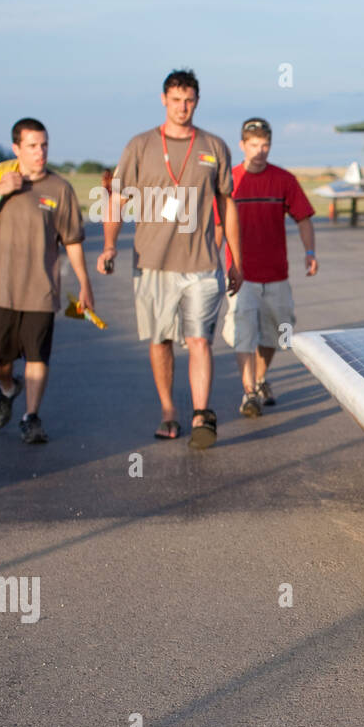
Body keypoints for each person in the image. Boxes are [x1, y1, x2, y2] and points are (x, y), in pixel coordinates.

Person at [98, 68, 242, 447]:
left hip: (202, 264)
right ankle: (168, 412)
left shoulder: (214, 146)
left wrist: (236, 260)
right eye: (176, 100)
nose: (183, 107)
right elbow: (117, 198)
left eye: (190, 100)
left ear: (198, 101)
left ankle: (200, 415)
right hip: (153, 264)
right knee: (160, 340)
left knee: (199, 340)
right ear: (164, 100)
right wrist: (110, 245)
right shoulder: (141, 145)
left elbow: (228, 206)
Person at [0, 118, 93, 443]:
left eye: (44, 145)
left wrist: (84, 283)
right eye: (33, 146)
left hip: (40, 290)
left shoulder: (60, 189)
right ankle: (8, 388)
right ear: (16, 149)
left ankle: (31, 417)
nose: (41, 152)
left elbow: (73, 241)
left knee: (38, 355)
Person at [220, 117, 317, 417]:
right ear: (242, 145)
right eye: (253, 145)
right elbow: (214, 225)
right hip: (241, 275)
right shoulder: (229, 180)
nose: (260, 151)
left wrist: (310, 251)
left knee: (275, 335)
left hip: (276, 273)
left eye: (265, 145)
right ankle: (249, 392)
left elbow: (303, 218)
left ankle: (260, 379)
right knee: (243, 332)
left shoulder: (284, 180)